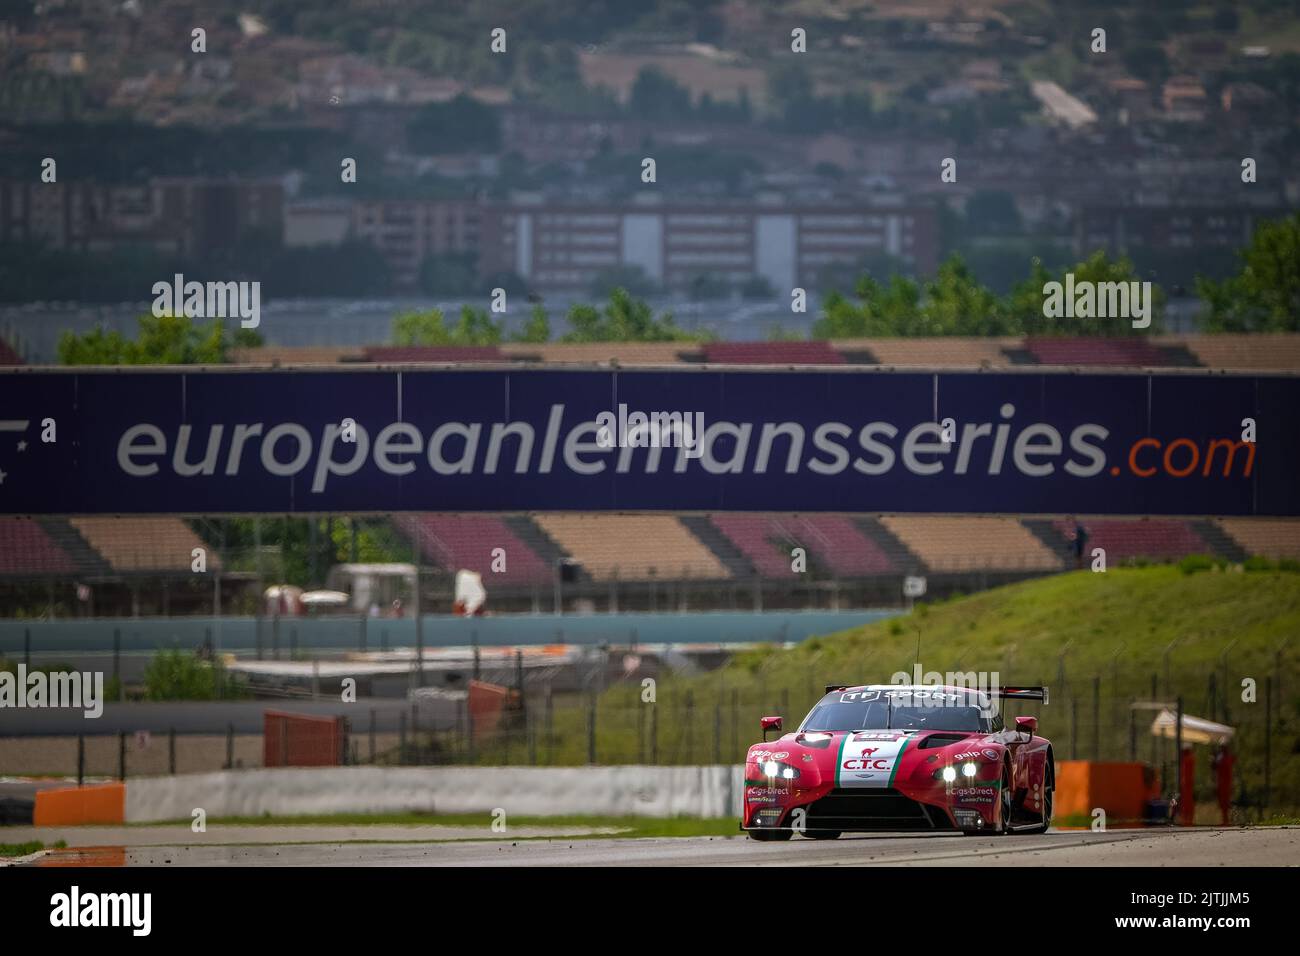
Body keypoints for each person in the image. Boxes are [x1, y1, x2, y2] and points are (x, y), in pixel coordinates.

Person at [1212, 743, 1235, 826]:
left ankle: (1226, 820)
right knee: (1223, 803)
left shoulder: (1224, 758)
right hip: (1223, 783)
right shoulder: (1224, 757)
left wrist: (1214, 759)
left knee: (1225, 803)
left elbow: (1215, 766)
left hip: (1225, 783)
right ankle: (1225, 820)